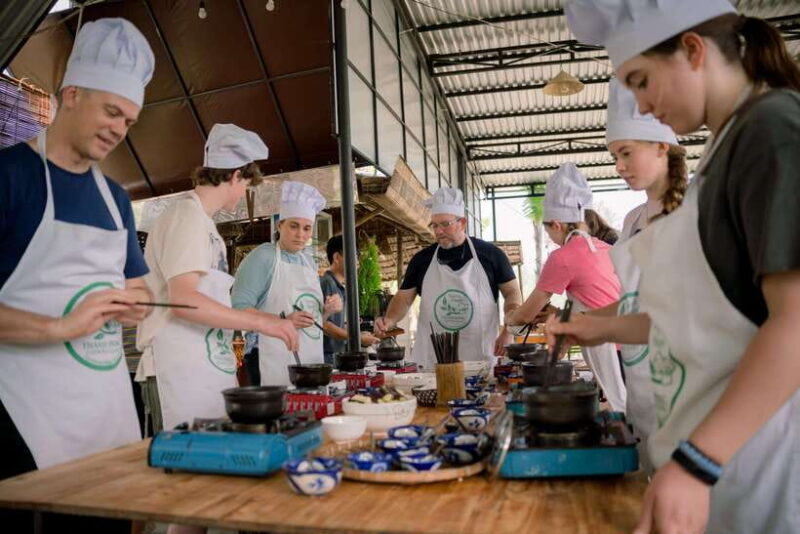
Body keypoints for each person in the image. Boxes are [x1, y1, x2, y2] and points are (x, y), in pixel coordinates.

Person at [552, 2, 800, 532]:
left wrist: (698, 461)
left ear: (692, 50)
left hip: (753, 462)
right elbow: (700, 318)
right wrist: (600, 327)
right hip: (714, 458)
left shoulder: (770, 129)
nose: (640, 102)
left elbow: (796, 323)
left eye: (641, 81)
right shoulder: (723, 149)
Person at [0, 18, 155, 533]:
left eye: (129, 120)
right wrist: (60, 327)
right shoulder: (9, 176)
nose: (118, 128)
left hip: (104, 416)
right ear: (71, 94)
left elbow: (136, 285)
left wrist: (137, 301)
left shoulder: (116, 200)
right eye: (111, 111)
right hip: (23, 419)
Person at [135, 124, 298, 434]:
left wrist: (273, 320)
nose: (243, 193)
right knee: (182, 475)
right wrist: (260, 324)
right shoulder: (186, 218)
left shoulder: (205, 226)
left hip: (202, 365)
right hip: (175, 366)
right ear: (236, 175)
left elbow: (213, 302)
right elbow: (181, 300)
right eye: (246, 185)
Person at [604, 78, 688, 470]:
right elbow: (633, 302)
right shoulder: (634, 219)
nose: (619, 167)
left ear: (661, 146)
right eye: (614, 157)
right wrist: (586, 322)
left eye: (625, 153)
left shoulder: (695, 213)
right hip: (642, 387)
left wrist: (595, 328)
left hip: (689, 398)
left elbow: (679, 316)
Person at [505, 163, 627, 412]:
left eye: (548, 230)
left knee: (624, 415)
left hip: (610, 351)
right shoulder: (607, 249)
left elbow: (525, 315)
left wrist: (509, 318)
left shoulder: (562, 257)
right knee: (633, 413)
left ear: (557, 224)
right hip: (633, 346)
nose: (550, 237)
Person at [374, 187, 522, 370]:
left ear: (462, 222)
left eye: (445, 224)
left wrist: (508, 329)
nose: (438, 231)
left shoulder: (491, 255)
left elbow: (512, 292)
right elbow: (404, 298)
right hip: (434, 359)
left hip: (479, 355)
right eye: (434, 225)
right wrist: (389, 320)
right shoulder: (422, 260)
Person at [232, 181, 340, 385]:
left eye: (307, 228)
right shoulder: (264, 256)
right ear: (280, 225)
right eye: (294, 226)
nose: (301, 234)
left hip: (309, 361)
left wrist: (325, 311)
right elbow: (237, 310)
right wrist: (281, 320)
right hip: (268, 359)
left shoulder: (308, 260)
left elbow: (310, 320)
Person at [320, 235, 379, 365]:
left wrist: (358, 333)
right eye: (353, 255)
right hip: (326, 355)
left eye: (357, 255)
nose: (357, 261)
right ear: (336, 258)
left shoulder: (339, 286)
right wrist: (357, 338)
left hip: (336, 354)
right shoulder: (327, 283)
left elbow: (340, 324)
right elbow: (325, 325)